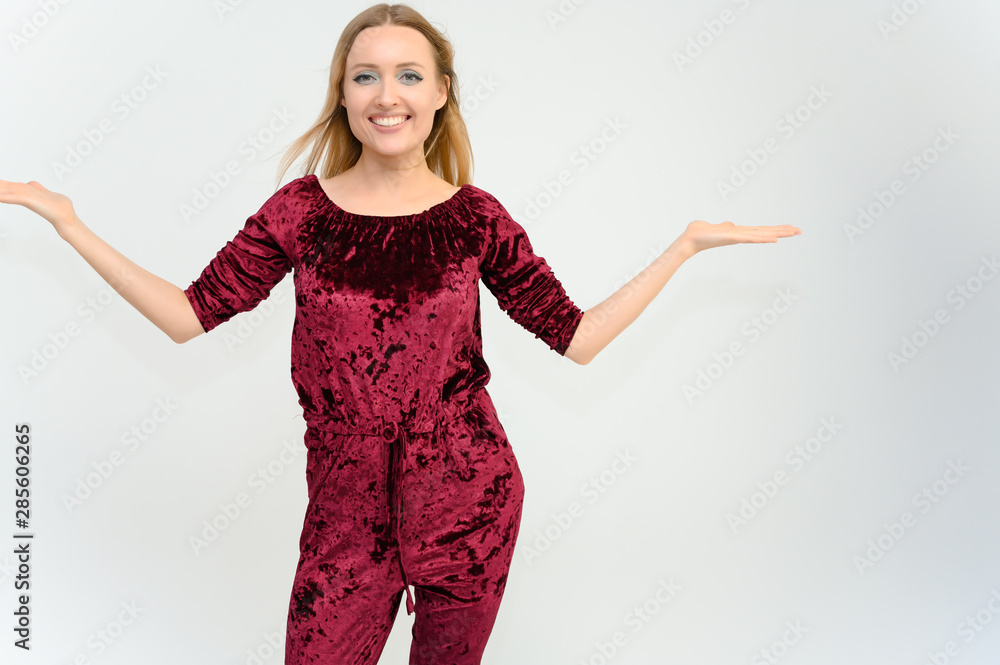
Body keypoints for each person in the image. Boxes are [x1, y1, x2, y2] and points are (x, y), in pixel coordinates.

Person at [0, 3, 801, 663]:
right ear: (344, 95)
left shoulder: (475, 218)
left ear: (442, 92)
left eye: (409, 74)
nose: (389, 94)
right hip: (344, 514)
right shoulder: (300, 213)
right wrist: (67, 221)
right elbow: (188, 315)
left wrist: (687, 245)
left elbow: (577, 336)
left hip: (470, 499)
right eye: (367, 75)